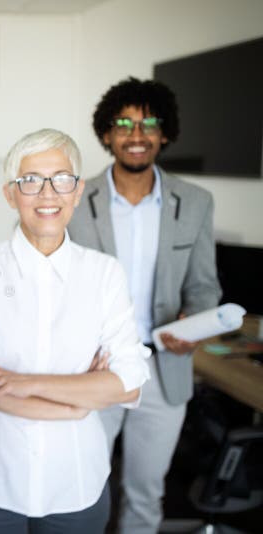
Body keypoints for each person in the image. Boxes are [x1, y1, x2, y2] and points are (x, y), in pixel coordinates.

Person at [0, 128, 150, 533]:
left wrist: (19, 382)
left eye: (61, 179)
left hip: (76, 483)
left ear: (77, 191)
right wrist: (81, 400)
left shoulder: (104, 273)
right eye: (30, 181)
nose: (48, 193)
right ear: (10, 194)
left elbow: (129, 384)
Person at [68, 77, 222, 534]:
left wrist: (193, 323)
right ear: (106, 134)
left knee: (146, 491)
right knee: (82, 487)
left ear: (165, 133)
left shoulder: (195, 203)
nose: (137, 135)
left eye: (149, 123)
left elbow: (204, 286)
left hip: (164, 368)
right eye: (124, 124)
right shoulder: (74, 199)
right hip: (93, 366)